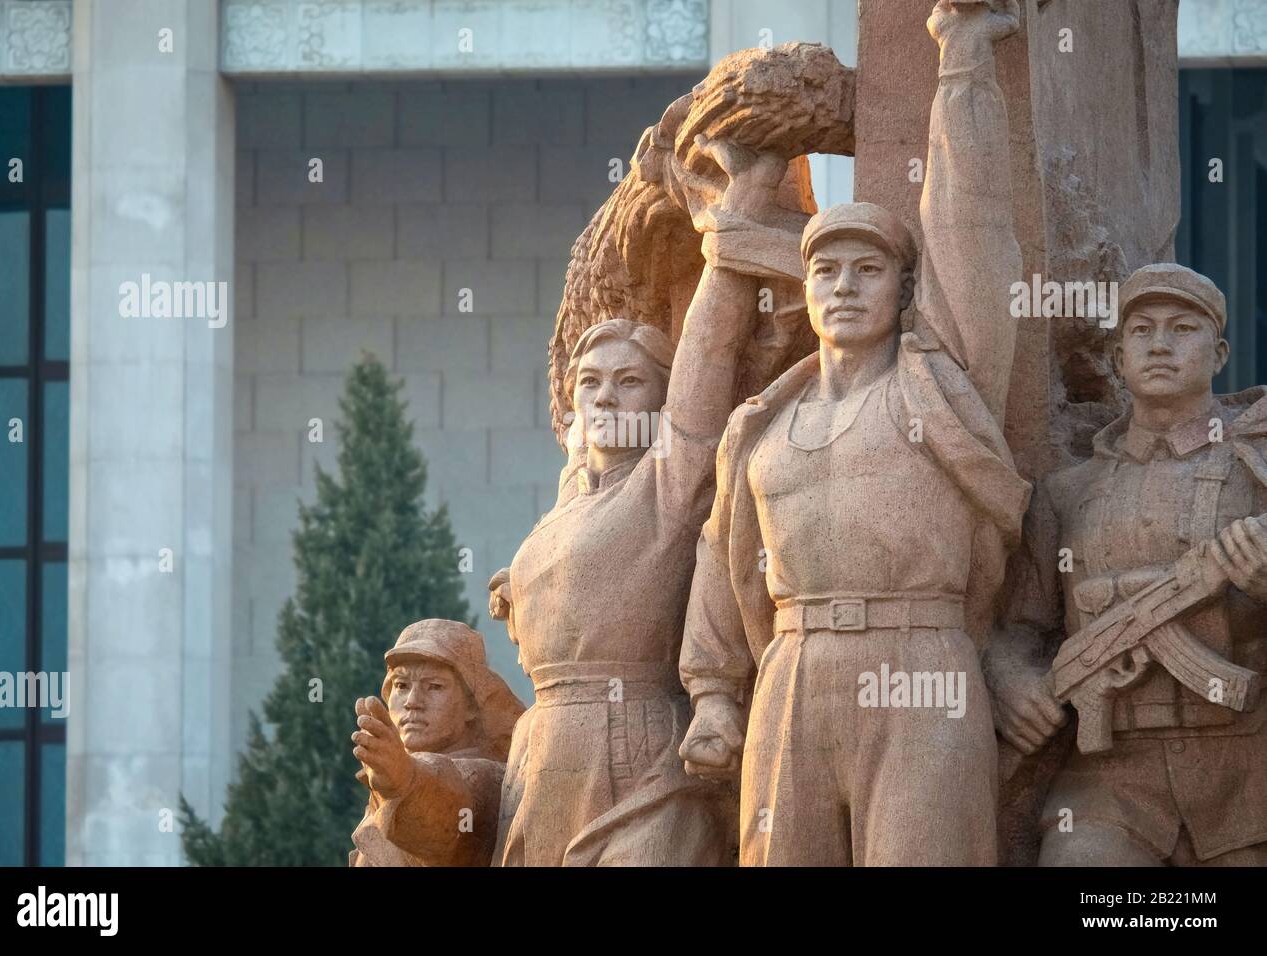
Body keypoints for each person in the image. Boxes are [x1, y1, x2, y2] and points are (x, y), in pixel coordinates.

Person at [676, 0, 1028, 865]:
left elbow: (970, 225)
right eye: (824, 269)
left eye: (867, 269)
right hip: (792, 675)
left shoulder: (943, 385)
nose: (841, 286)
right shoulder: (759, 428)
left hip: (923, 667)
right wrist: (717, 697)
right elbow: (722, 564)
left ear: (904, 291)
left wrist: (963, 61)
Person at [485, 132, 804, 866]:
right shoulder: (560, 510)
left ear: (662, 405)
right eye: (590, 383)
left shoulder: (668, 483)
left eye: (630, 382)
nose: (605, 396)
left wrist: (741, 206)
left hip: (637, 754)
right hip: (539, 766)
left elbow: (708, 357)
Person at [987, 262, 1267, 866]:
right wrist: (1010, 682)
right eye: (1141, 331)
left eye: (1182, 328)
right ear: (1117, 359)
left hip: (1247, 771)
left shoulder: (1259, 472)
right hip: (1111, 779)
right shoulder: (1066, 493)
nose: (1160, 344)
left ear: (1218, 353)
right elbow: (1018, 630)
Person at [349, 619, 524, 867]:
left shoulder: (491, 779)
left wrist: (405, 781)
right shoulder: (390, 779)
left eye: (434, 686)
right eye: (401, 685)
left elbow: (446, 812)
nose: (413, 701)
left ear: (472, 705)